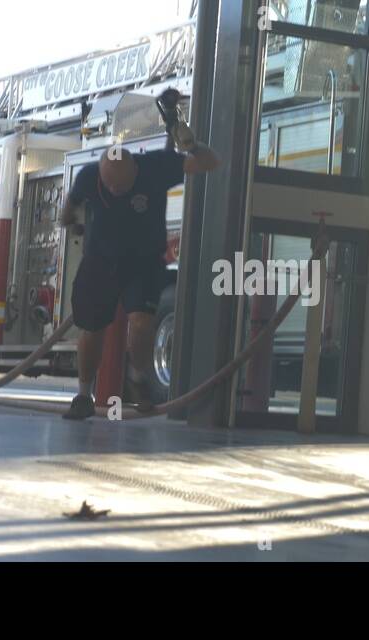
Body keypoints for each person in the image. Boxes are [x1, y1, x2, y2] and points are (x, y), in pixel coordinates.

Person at [59, 95, 219, 420]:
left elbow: (211, 162)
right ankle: (83, 394)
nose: (116, 193)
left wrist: (190, 144)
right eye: (110, 188)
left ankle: (138, 379)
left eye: (123, 187)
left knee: (143, 322)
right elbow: (69, 208)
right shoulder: (89, 176)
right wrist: (70, 221)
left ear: (135, 170)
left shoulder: (156, 168)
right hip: (100, 261)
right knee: (91, 329)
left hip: (143, 261)